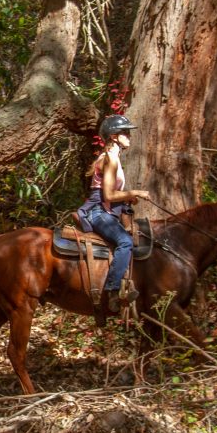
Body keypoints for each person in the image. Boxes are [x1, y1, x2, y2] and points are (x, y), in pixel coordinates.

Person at [78, 114, 153, 315]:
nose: (129, 136)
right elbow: (109, 194)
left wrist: (127, 198)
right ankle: (112, 291)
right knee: (126, 242)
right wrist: (135, 192)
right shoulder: (110, 159)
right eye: (125, 132)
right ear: (113, 136)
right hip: (98, 212)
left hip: (107, 210)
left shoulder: (114, 158)